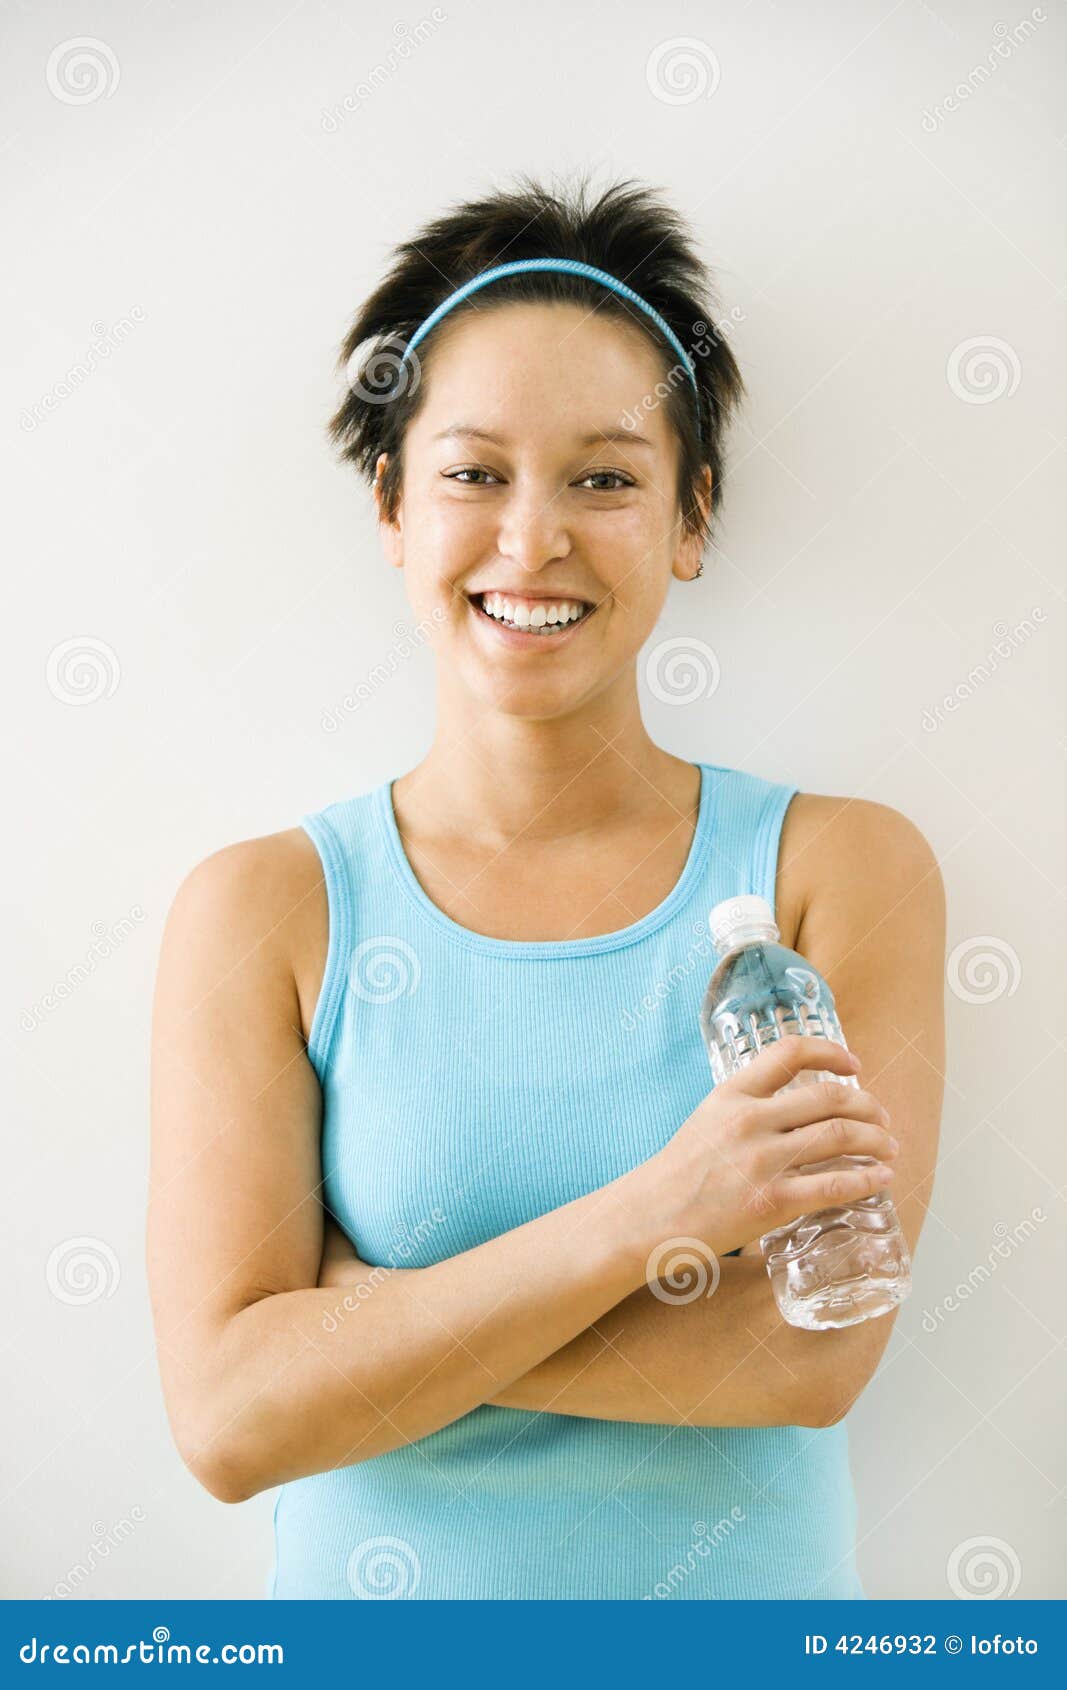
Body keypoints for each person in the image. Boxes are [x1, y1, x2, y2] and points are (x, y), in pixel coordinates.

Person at [146, 173, 945, 1600]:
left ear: (693, 518)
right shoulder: (264, 911)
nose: (533, 539)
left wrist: (363, 1331)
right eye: (471, 471)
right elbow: (227, 1417)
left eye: (607, 476)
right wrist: (669, 1212)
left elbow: (815, 1344)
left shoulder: (839, 870)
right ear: (390, 505)